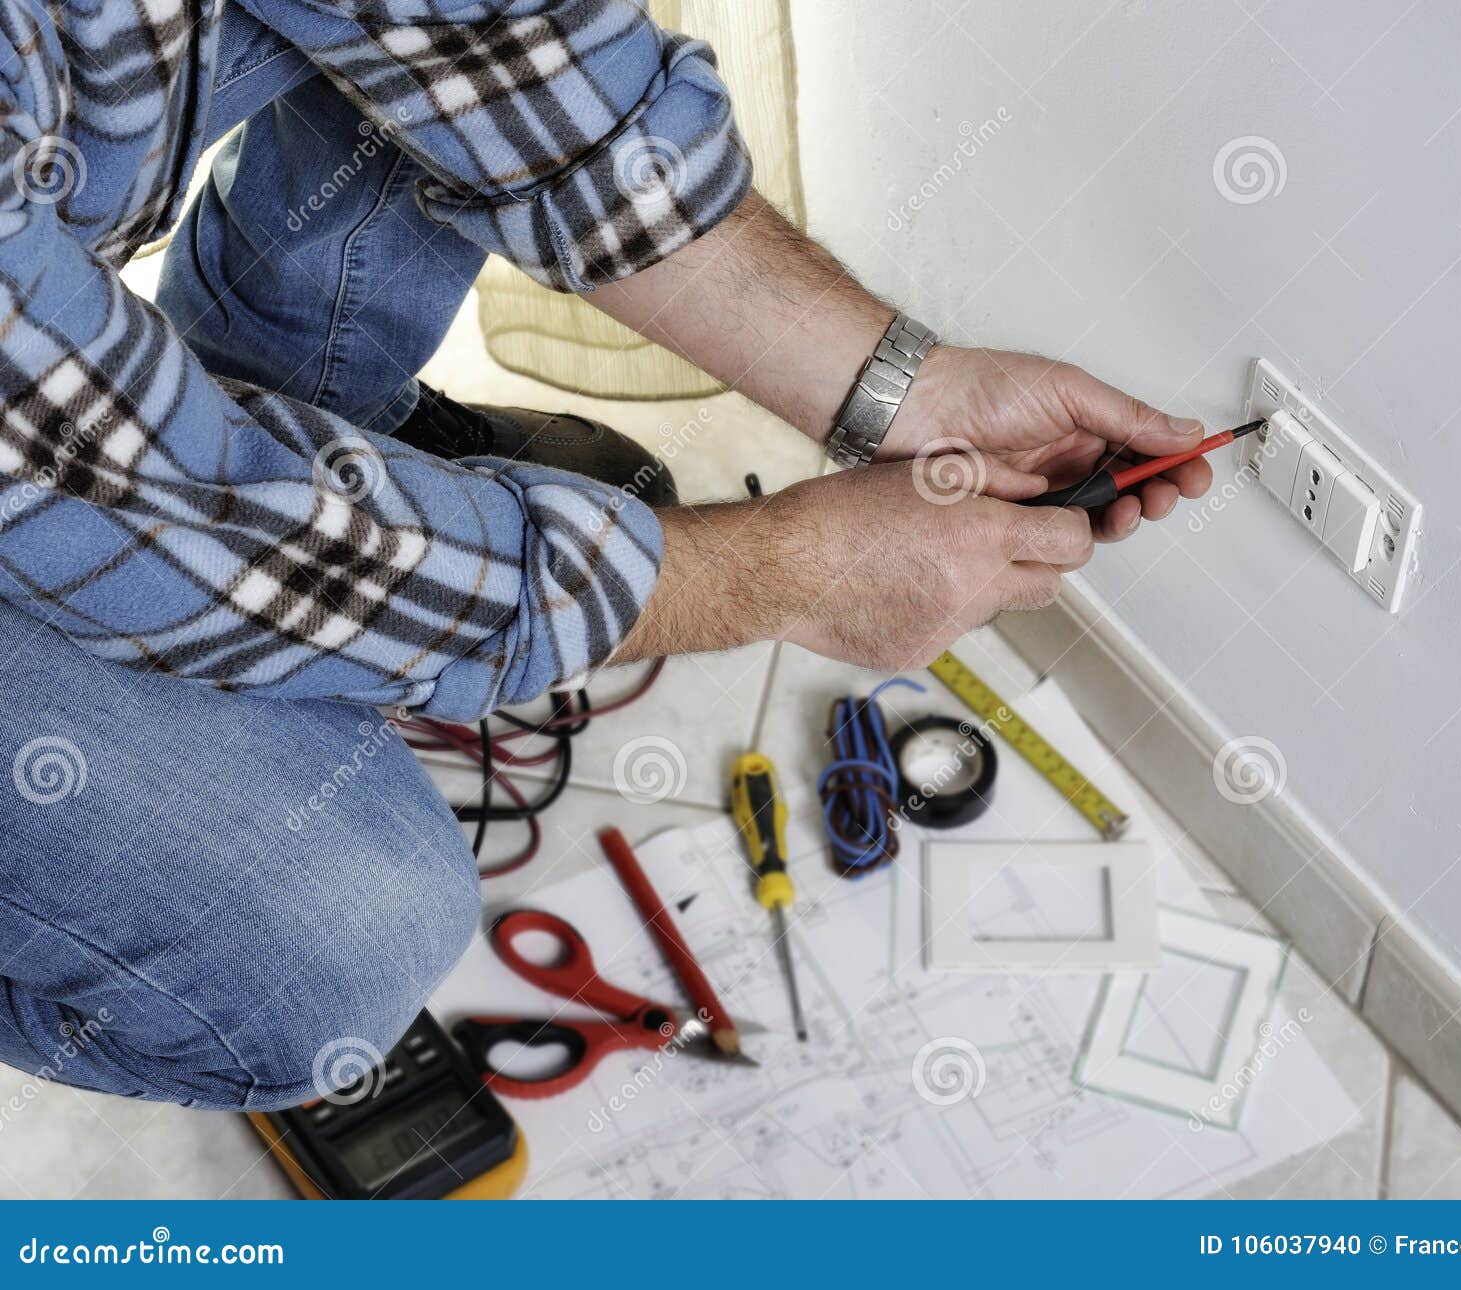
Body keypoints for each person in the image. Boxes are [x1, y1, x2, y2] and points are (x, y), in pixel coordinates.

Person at [0, 0, 1212, 1110]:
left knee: (392, 85)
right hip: (73, 474)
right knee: (342, 937)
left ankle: (320, 508)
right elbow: (155, 515)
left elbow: (511, 56)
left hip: (62, 386)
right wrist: (779, 574)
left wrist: (905, 390)